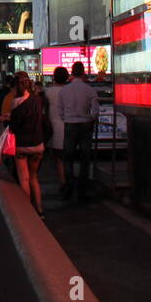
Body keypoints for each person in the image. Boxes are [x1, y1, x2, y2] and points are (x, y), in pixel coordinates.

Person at [6, 72, 49, 218]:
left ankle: (28, 212)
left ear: (18, 85)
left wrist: (8, 119)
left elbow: (14, 125)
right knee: (34, 177)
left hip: (22, 145)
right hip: (38, 144)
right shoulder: (38, 100)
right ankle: (40, 209)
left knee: (24, 179)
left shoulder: (16, 102)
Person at [59, 61, 99, 201]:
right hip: (85, 124)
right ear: (83, 73)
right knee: (85, 157)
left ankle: (69, 184)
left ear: (72, 72)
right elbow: (95, 110)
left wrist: (66, 118)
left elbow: (60, 110)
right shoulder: (89, 90)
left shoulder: (64, 90)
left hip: (70, 124)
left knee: (68, 156)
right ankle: (82, 188)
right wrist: (90, 118)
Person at [45, 67, 69, 193]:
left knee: (58, 158)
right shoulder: (69, 91)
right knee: (67, 157)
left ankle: (63, 183)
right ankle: (67, 181)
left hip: (54, 128)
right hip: (71, 127)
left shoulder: (48, 92)